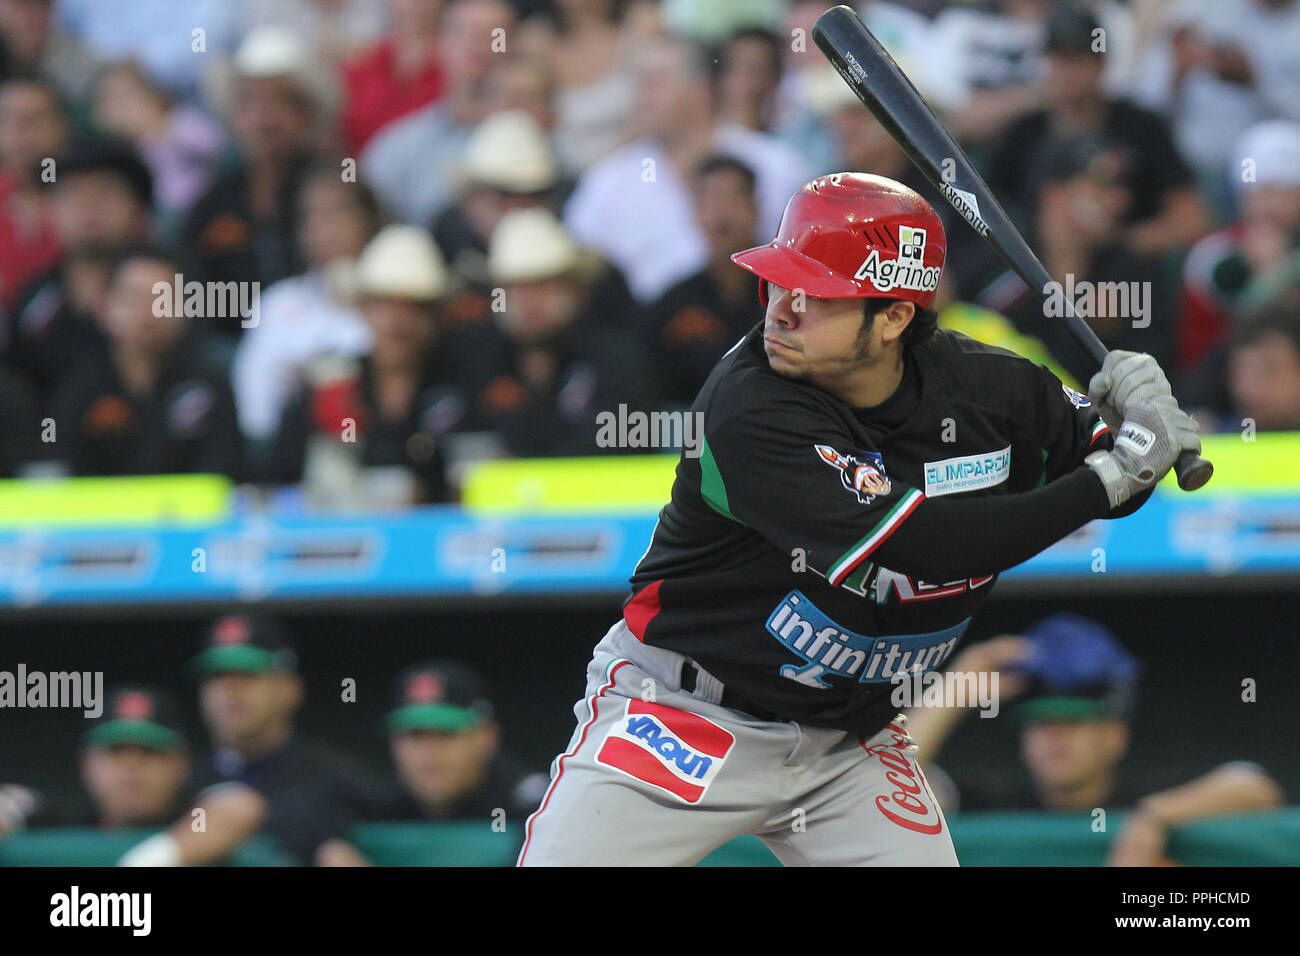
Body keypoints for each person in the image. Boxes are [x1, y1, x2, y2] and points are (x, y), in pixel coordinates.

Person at [517, 172, 1203, 867]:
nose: (782, 310)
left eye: (816, 295)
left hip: (851, 743)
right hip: (684, 715)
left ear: (895, 317)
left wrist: (1136, 428)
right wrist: (1118, 472)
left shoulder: (989, 388)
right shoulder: (749, 404)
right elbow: (927, 548)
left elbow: (1114, 473)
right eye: (779, 283)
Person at [902, 614, 1284, 866]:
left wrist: (1155, 818)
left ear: (1115, 737)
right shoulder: (991, 806)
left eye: (1074, 722)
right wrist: (955, 687)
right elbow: (893, 784)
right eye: (1042, 723)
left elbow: (1252, 784)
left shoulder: (1143, 800)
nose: (1056, 736)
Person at [563, 32, 812, 303]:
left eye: (655, 81)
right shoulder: (607, 182)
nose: (643, 96)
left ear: (701, 88)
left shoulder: (774, 165)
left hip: (756, 322)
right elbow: (577, 269)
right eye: (639, 83)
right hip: (645, 332)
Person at [264, 224, 497, 503]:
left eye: (415, 307)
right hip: (341, 538)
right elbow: (276, 486)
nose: (398, 323)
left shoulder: (464, 386)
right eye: (384, 304)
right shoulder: (327, 384)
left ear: (437, 315)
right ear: (363, 309)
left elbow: (488, 480)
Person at [987, 3, 1209, 259]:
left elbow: (1192, 219)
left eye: (1077, 59)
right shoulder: (1025, 132)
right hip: (1037, 271)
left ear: (1101, 64)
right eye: (1058, 58)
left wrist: (1120, 241)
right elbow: (986, 212)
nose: (1065, 72)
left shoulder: (1141, 127)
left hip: (1125, 274)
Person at [187, 614, 390, 866]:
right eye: (218, 676)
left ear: (289, 688)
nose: (231, 690)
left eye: (248, 675)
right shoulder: (181, 784)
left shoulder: (340, 781)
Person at [0, 685, 268, 867]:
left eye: (149, 752)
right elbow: (16, 802)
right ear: (87, 763)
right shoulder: (66, 822)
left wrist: (148, 860)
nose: (132, 766)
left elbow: (239, 807)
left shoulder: (193, 818)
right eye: (116, 751)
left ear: (180, 762)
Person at [47, 245, 243, 479]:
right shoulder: (77, 391)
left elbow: (222, 477)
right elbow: (60, 475)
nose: (149, 313)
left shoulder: (210, 388)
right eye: (134, 299)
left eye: (163, 300)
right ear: (105, 307)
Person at [476, 207, 657, 458]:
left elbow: (629, 445)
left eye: (542, 285)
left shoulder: (617, 361)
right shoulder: (481, 363)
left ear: (575, 292)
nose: (528, 302)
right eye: (515, 288)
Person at [231, 164, 382, 459]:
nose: (323, 228)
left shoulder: (397, 296)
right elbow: (255, 411)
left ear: (368, 220)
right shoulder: (276, 304)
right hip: (294, 459)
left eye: (337, 212)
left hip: (378, 455)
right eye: (311, 215)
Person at [6, 135, 153, 403]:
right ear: (49, 209)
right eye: (72, 192)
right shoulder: (33, 299)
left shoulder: (167, 286)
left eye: (105, 192)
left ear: (136, 207)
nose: (88, 206)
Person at [359, 0, 515, 226]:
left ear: (515, 48)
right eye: (463, 33)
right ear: (440, 44)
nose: (477, 45)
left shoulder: (539, 136)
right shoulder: (396, 148)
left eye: (493, 36)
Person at [646, 155, 765, 407]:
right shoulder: (673, 303)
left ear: (755, 208)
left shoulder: (786, 293)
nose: (721, 213)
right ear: (695, 212)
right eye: (710, 199)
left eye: (732, 198)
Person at [375, 661, 548, 827]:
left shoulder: (533, 801)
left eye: (446, 733)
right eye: (415, 734)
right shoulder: (380, 803)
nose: (429, 750)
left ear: (487, 737)